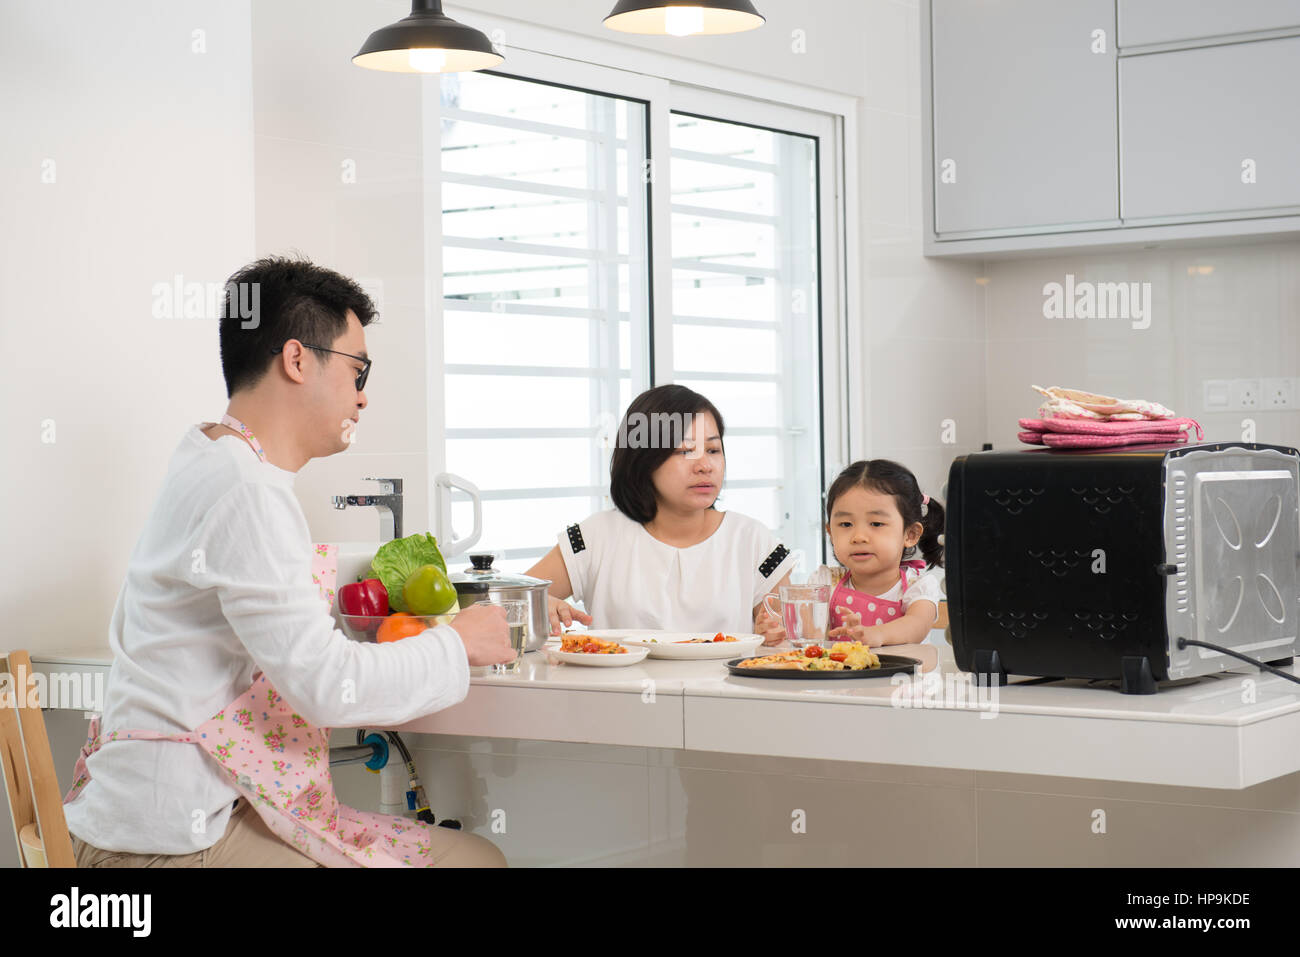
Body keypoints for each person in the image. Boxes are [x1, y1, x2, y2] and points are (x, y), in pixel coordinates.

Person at [65, 255, 514, 868]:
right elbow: (328, 685)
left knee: (472, 858)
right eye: (359, 369)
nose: (363, 396)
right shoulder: (244, 489)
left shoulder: (215, 459)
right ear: (298, 359)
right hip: (164, 842)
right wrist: (456, 646)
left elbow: (279, 590)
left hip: (166, 811)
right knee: (474, 862)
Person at [526, 385, 797, 638]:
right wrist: (540, 604)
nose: (705, 466)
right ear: (644, 460)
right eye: (685, 451)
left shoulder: (752, 540)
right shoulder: (595, 537)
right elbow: (506, 602)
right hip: (618, 690)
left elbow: (788, 635)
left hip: (724, 690)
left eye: (713, 449)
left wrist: (774, 633)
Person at [819, 459, 946, 647]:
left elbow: (916, 626)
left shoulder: (918, 586)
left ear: (910, 534)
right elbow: (805, 631)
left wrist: (876, 635)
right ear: (830, 533)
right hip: (840, 677)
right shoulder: (824, 582)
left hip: (902, 677)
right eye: (846, 524)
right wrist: (777, 629)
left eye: (876, 524)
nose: (859, 537)